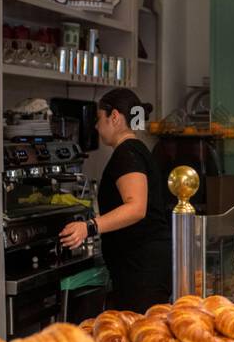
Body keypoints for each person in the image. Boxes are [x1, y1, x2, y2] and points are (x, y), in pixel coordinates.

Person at [60, 88, 171, 314]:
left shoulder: (127, 154)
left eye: (99, 118)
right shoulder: (136, 151)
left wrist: (89, 227)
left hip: (142, 269)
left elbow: (136, 208)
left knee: (141, 339)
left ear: (115, 117)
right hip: (143, 265)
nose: (96, 126)